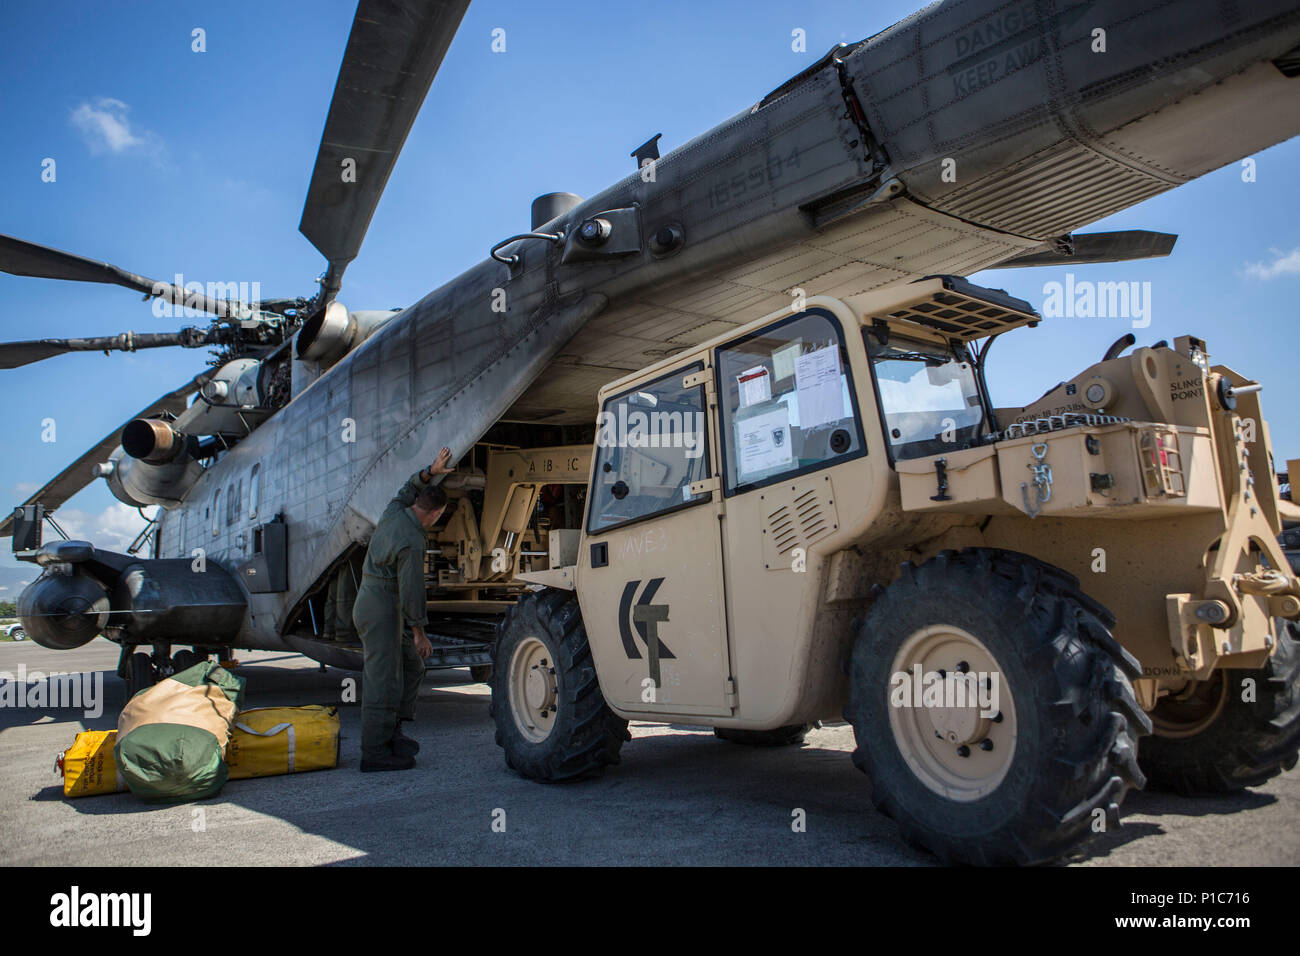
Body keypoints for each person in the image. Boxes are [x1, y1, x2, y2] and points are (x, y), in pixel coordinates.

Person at [352, 447, 455, 772]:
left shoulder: (396, 510)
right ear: (436, 514)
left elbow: (407, 487)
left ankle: (393, 731)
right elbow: (411, 591)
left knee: (412, 667)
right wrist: (419, 633)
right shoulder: (412, 539)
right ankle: (374, 753)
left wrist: (432, 470)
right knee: (382, 680)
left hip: (373, 603)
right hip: (382, 608)